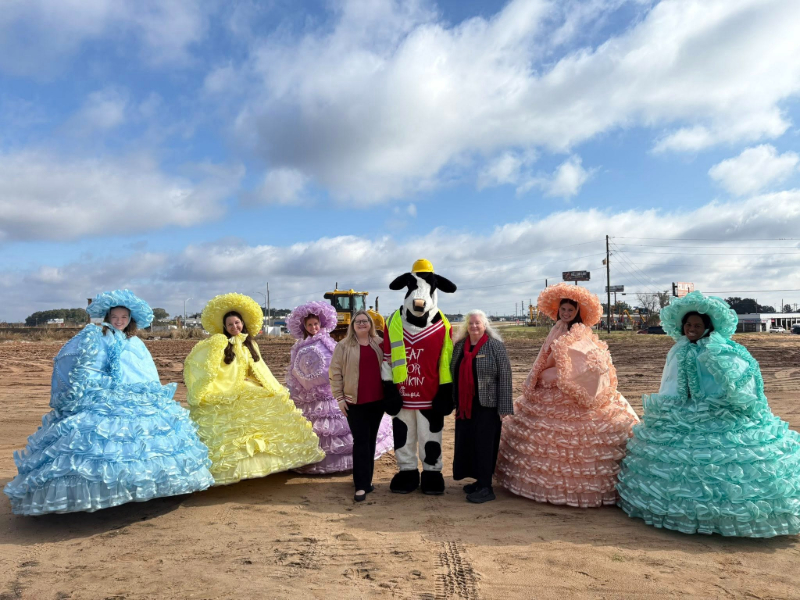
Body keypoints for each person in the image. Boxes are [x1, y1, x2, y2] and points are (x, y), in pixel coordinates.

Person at [4, 290, 214, 515]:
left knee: (139, 444)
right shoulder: (97, 335)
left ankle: (140, 487)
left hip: (136, 395)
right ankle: (104, 490)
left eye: (124, 317)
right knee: (99, 443)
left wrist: (149, 394)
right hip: (104, 394)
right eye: (115, 317)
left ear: (130, 319)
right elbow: (85, 361)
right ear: (107, 317)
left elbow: (146, 372)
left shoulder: (135, 342)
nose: (119, 321)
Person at [617, 292, 800, 537]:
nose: (692, 329)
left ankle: (726, 515)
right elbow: (670, 383)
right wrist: (670, 409)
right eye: (688, 324)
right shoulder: (677, 350)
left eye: (697, 325)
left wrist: (725, 399)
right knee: (678, 464)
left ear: (708, 327)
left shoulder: (719, 350)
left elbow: (735, 378)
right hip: (680, 411)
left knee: (726, 463)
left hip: (716, 412)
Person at [495, 283, 639, 507]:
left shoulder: (580, 331)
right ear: (558, 310)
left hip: (573, 381)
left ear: (577, 312)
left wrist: (566, 373)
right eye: (563, 310)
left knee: (578, 435)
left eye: (570, 311)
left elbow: (585, 357)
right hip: (554, 378)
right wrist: (535, 375)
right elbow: (546, 352)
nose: (566, 314)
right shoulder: (558, 327)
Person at [183, 293, 324, 485]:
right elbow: (213, 369)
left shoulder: (251, 343)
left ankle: (269, 464)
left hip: (249, 385)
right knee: (234, 429)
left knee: (267, 418)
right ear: (224, 327)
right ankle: (235, 470)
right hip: (228, 388)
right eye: (230, 324)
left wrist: (265, 384)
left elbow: (260, 368)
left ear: (243, 323)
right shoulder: (220, 344)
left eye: (237, 323)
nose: (235, 327)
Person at [286, 301, 392, 474]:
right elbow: (297, 371)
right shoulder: (300, 346)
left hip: (329, 392)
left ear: (321, 324)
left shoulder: (330, 342)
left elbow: (337, 365)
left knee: (339, 429)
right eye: (310, 325)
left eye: (316, 324)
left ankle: (358, 466)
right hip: (309, 395)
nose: (313, 327)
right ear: (305, 327)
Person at [451, 310, 513, 503]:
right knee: (469, 443)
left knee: (485, 445)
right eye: (470, 323)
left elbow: (505, 377)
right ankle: (479, 480)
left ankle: (487, 487)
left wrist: (504, 408)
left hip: (488, 406)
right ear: (466, 326)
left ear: (485, 325)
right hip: (466, 406)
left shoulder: (495, 346)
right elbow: (453, 373)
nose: (474, 326)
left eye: (478, 323)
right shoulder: (460, 346)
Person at [329, 310, 389, 501]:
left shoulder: (379, 344)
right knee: (361, 442)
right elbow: (335, 372)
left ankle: (367, 481)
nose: (362, 324)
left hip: (377, 402)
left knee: (370, 441)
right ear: (352, 325)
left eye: (365, 321)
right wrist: (339, 398)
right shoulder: (343, 346)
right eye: (358, 321)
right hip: (354, 402)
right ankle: (361, 485)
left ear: (371, 324)